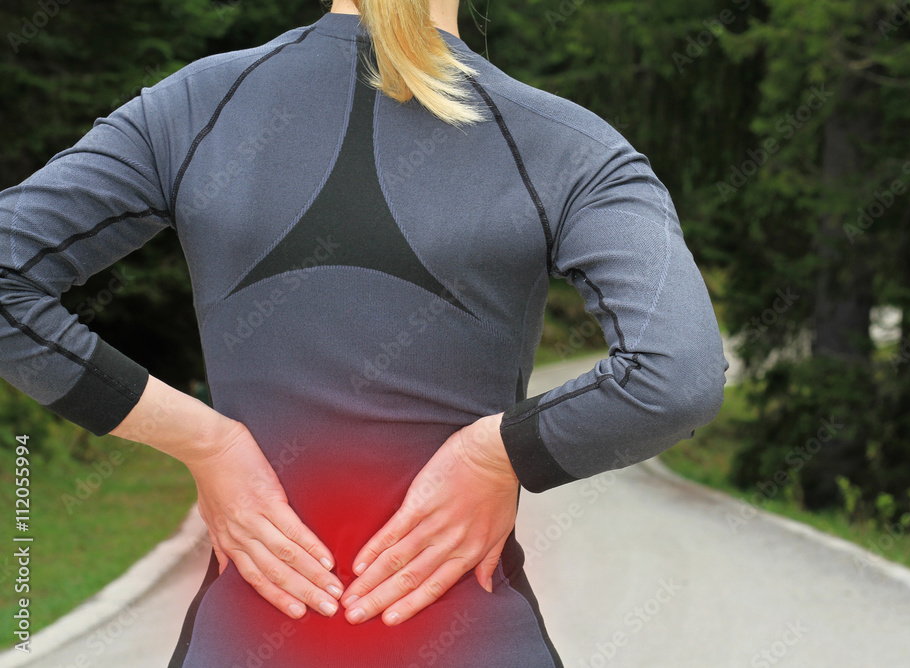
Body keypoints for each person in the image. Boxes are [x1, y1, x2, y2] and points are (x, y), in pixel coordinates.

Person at [0, 0, 729, 665]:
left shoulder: (196, 108)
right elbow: (678, 375)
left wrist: (203, 441)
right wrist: (495, 455)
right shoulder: (568, 146)